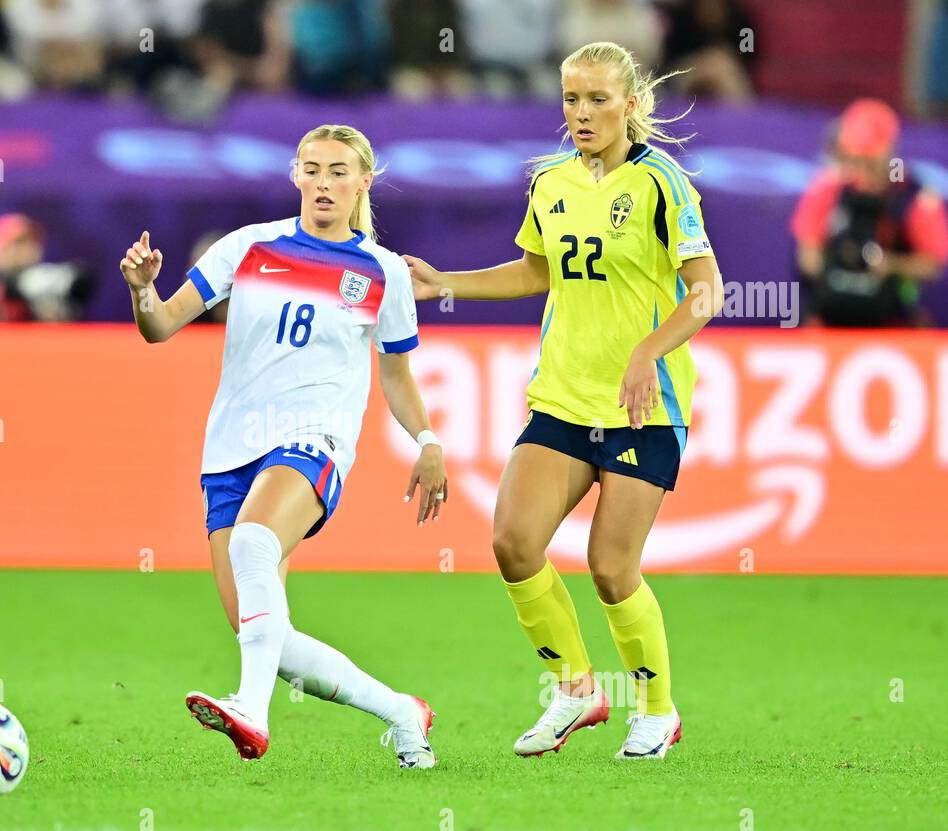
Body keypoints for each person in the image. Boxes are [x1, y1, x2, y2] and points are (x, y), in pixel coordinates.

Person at [405, 41, 723, 760]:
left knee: (612, 568)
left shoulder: (661, 184)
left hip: (645, 405)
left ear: (632, 105)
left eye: (598, 100)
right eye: (571, 100)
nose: (581, 113)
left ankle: (657, 711)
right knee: (513, 542)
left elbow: (707, 291)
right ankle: (576, 691)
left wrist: (648, 352)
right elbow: (533, 273)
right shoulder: (550, 182)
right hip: (563, 398)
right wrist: (443, 282)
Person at [119, 124, 446, 768]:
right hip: (229, 453)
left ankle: (251, 712)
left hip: (314, 440)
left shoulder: (383, 272)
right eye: (313, 170)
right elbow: (160, 327)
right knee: (263, 634)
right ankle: (404, 713)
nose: (324, 184)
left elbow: (397, 375)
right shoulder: (247, 247)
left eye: (339, 171)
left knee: (251, 542)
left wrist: (428, 439)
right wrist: (141, 289)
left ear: (364, 181)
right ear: (295, 175)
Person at [791, 98, 948, 327]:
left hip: (890, 319)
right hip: (828, 315)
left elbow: (933, 265)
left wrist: (890, 264)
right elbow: (808, 258)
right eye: (855, 155)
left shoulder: (912, 195)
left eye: (869, 157)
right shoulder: (828, 188)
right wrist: (841, 263)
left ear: (889, 150)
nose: (861, 166)